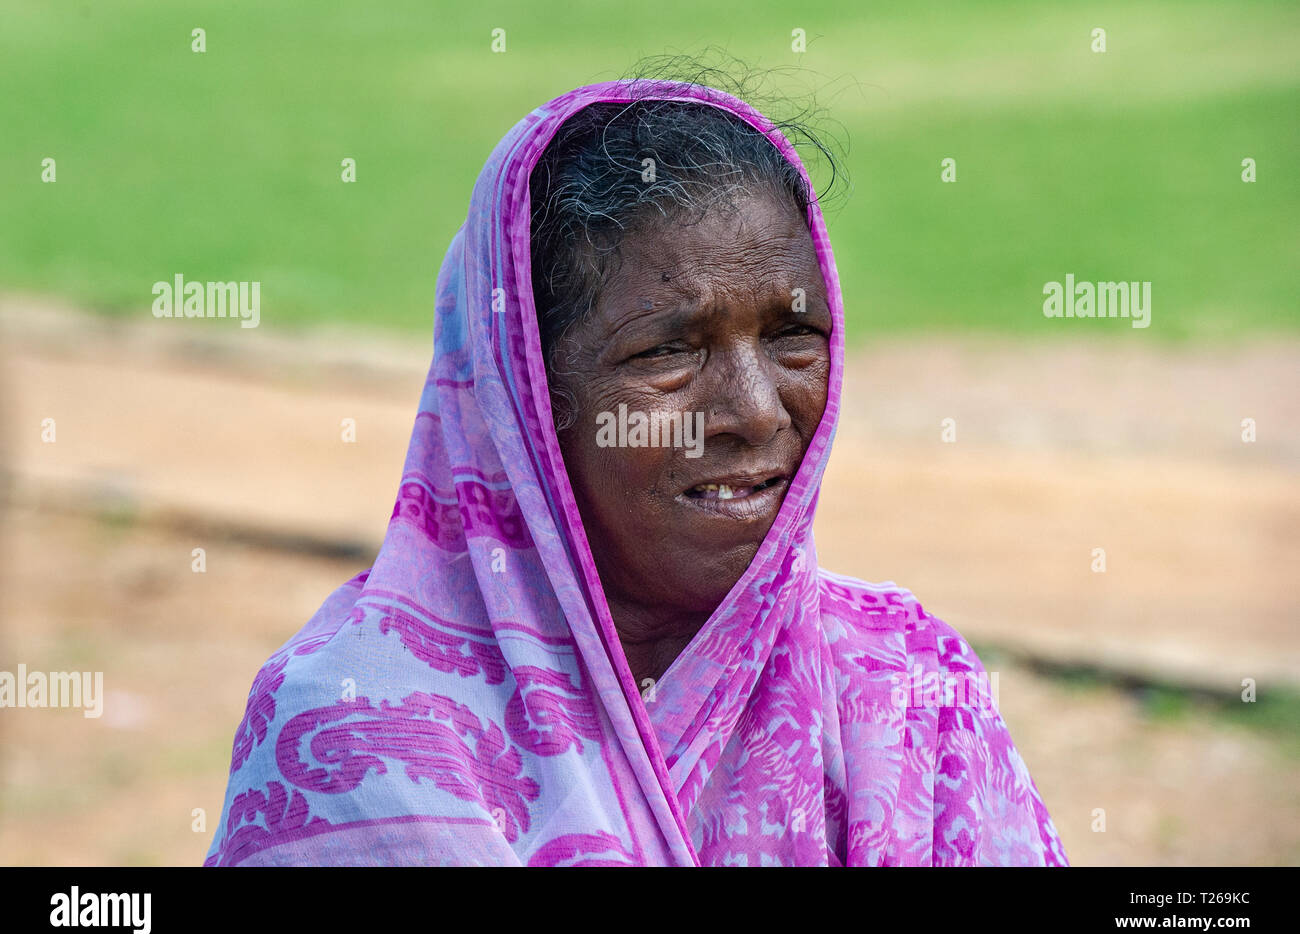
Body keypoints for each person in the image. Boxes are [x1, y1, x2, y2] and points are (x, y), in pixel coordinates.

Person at [204, 76, 1069, 866]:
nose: (758, 410)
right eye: (668, 350)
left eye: (792, 336)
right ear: (529, 400)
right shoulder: (361, 728)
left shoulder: (905, 687)